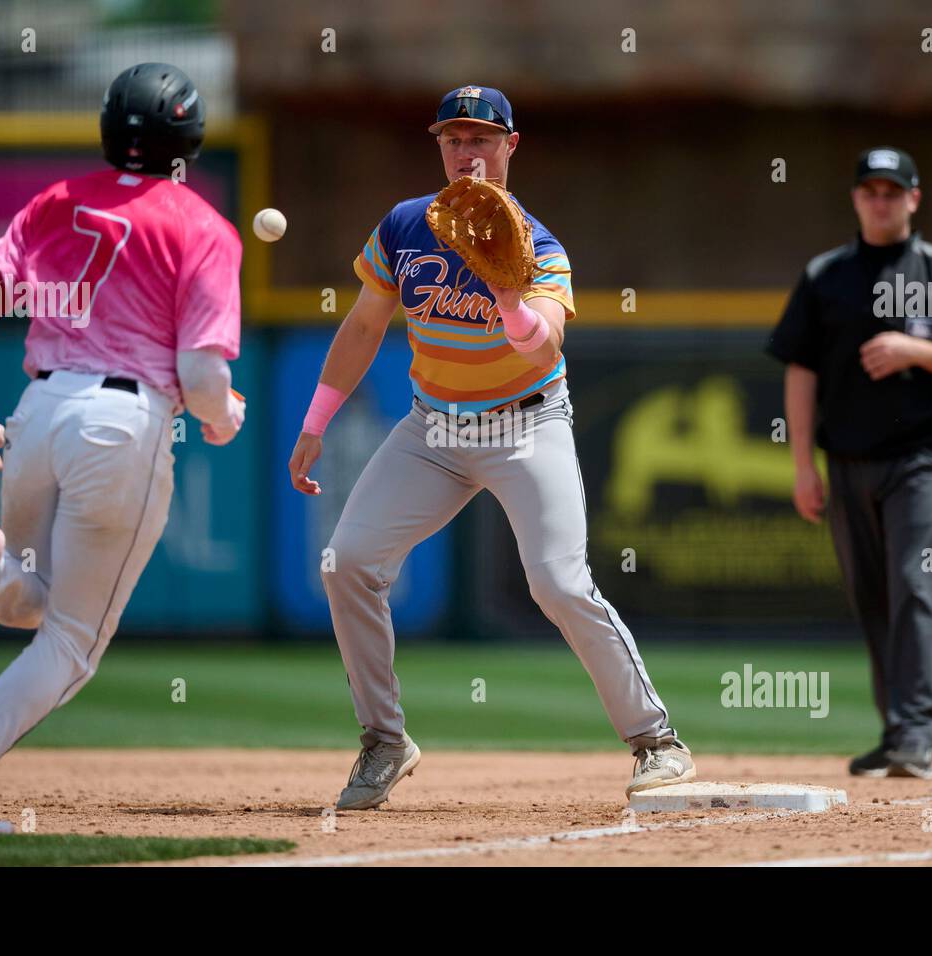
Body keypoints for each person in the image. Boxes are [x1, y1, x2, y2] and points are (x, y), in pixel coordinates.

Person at [288, 85, 694, 811]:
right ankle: (384, 741)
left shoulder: (537, 245)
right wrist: (317, 420)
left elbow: (547, 347)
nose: (466, 152)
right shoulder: (405, 226)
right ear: (438, 147)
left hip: (525, 424)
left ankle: (657, 742)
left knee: (560, 584)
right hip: (432, 430)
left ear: (512, 146)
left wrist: (509, 296)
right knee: (346, 562)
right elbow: (362, 326)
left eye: (481, 138)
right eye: (453, 138)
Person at [0, 63, 245, 832]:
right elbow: (200, 372)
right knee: (74, 646)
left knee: (32, 602)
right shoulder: (203, 226)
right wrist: (222, 419)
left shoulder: (53, 203)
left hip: (39, 409)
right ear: (188, 139)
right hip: (124, 422)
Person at [766, 147, 932, 780]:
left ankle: (917, 732)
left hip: (919, 458)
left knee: (912, 585)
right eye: (870, 190)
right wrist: (802, 467)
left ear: (913, 199)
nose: (880, 200)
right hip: (844, 461)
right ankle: (896, 729)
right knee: (872, 596)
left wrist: (915, 350)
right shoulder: (826, 274)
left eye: (892, 191)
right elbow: (800, 369)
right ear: (855, 198)